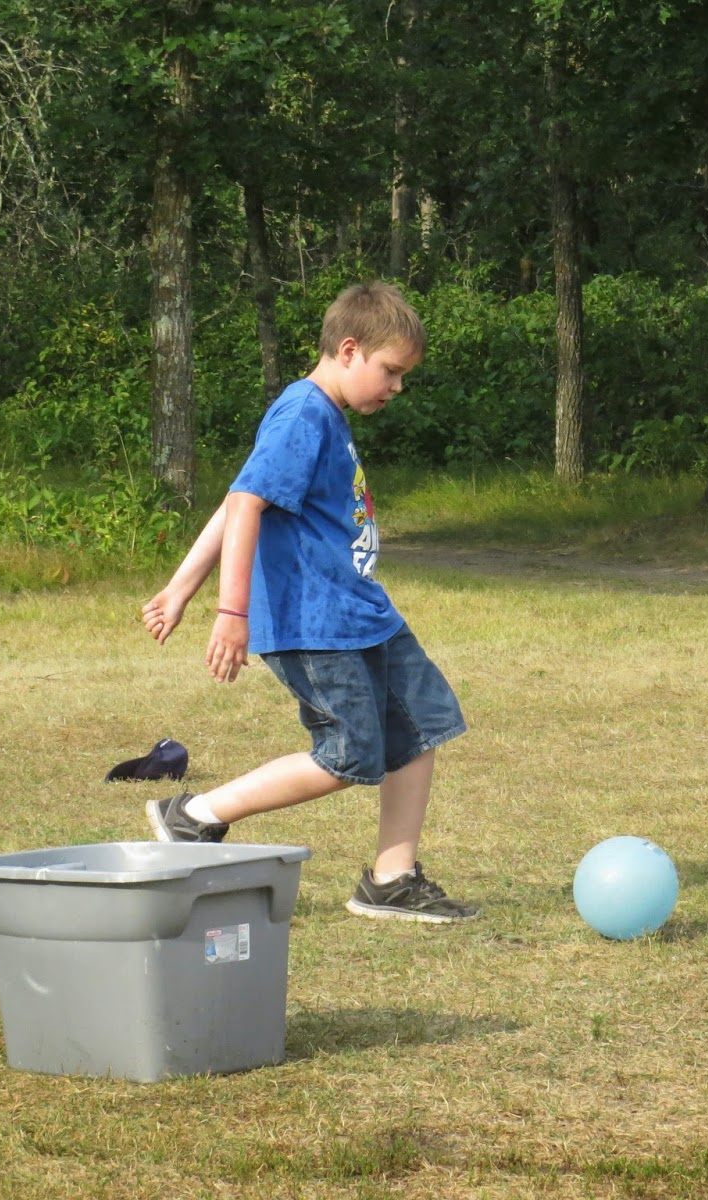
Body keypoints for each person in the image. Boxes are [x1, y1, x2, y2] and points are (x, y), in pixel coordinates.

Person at [139, 281, 478, 923]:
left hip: (362, 613)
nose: (397, 387)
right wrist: (229, 612)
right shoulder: (302, 412)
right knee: (350, 755)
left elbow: (240, 494)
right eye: (391, 371)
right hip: (315, 622)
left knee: (423, 724)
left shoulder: (323, 413)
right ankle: (194, 815)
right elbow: (245, 506)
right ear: (349, 350)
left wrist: (181, 585)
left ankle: (391, 879)